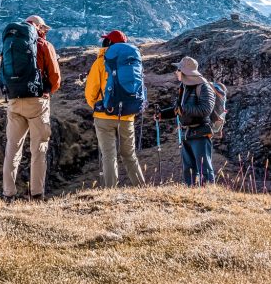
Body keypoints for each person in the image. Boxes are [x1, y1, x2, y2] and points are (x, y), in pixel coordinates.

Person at [0, 14, 61, 201]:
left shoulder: (8, 45)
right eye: (44, 29)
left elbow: (1, 74)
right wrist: (47, 91)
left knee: (12, 148)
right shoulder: (44, 45)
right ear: (38, 28)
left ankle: (8, 194)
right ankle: (36, 194)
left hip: (14, 101)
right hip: (37, 102)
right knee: (38, 149)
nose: (45, 32)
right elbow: (55, 77)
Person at [84, 30, 147, 188]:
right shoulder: (132, 61)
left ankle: (110, 191)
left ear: (108, 43)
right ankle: (141, 187)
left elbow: (91, 91)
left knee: (109, 155)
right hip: (127, 116)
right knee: (129, 155)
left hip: (104, 116)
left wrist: (97, 107)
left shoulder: (100, 62)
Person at [155, 56, 217, 186]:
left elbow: (206, 110)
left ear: (184, 72)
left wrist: (184, 108)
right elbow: (178, 109)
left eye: (178, 69)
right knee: (188, 168)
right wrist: (163, 115)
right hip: (187, 133)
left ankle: (209, 193)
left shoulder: (204, 87)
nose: (176, 72)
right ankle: (192, 191)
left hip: (200, 132)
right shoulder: (184, 87)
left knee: (204, 168)